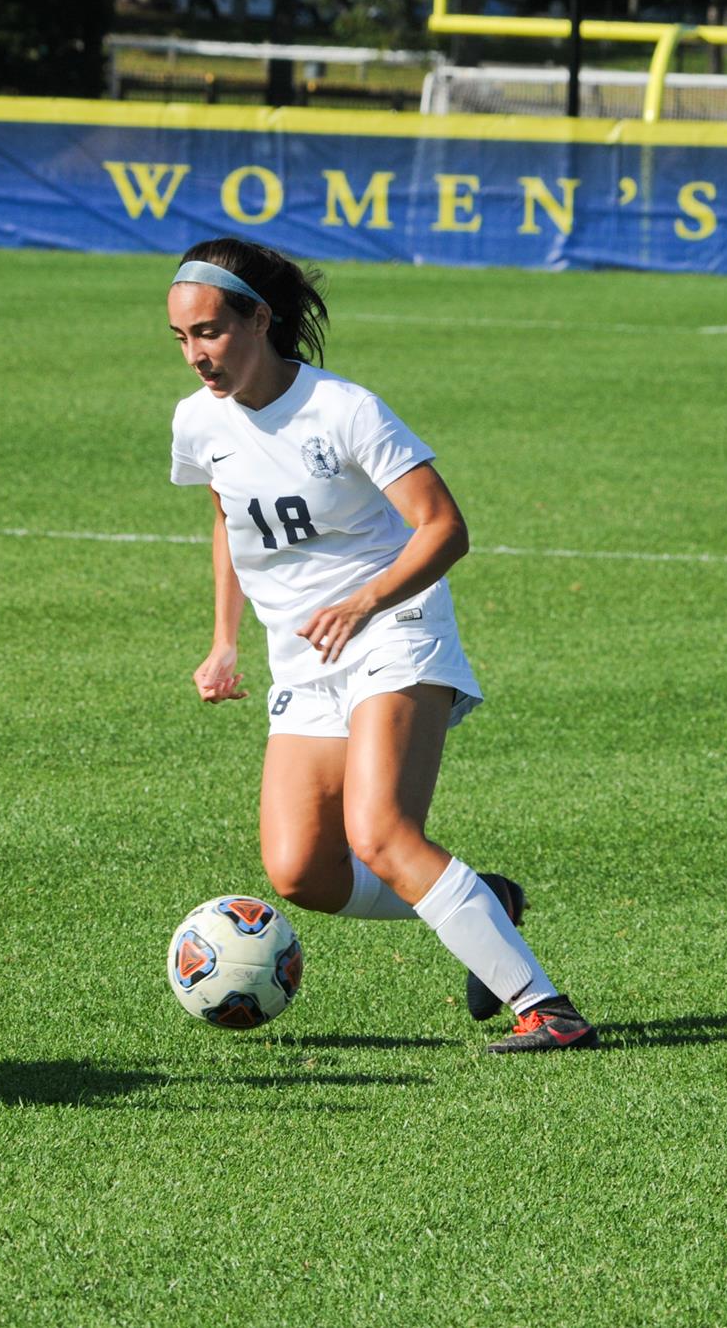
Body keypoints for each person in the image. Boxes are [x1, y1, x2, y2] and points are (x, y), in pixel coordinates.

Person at [165, 237, 598, 1053]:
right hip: (304, 658)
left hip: (394, 626)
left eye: (212, 332)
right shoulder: (198, 423)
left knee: (382, 834)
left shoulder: (345, 409)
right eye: (183, 339)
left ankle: (546, 1008)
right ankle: (484, 902)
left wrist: (364, 600)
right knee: (303, 873)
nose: (197, 355)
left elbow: (445, 529)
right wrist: (223, 641)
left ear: (261, 320)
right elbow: (227, 519)